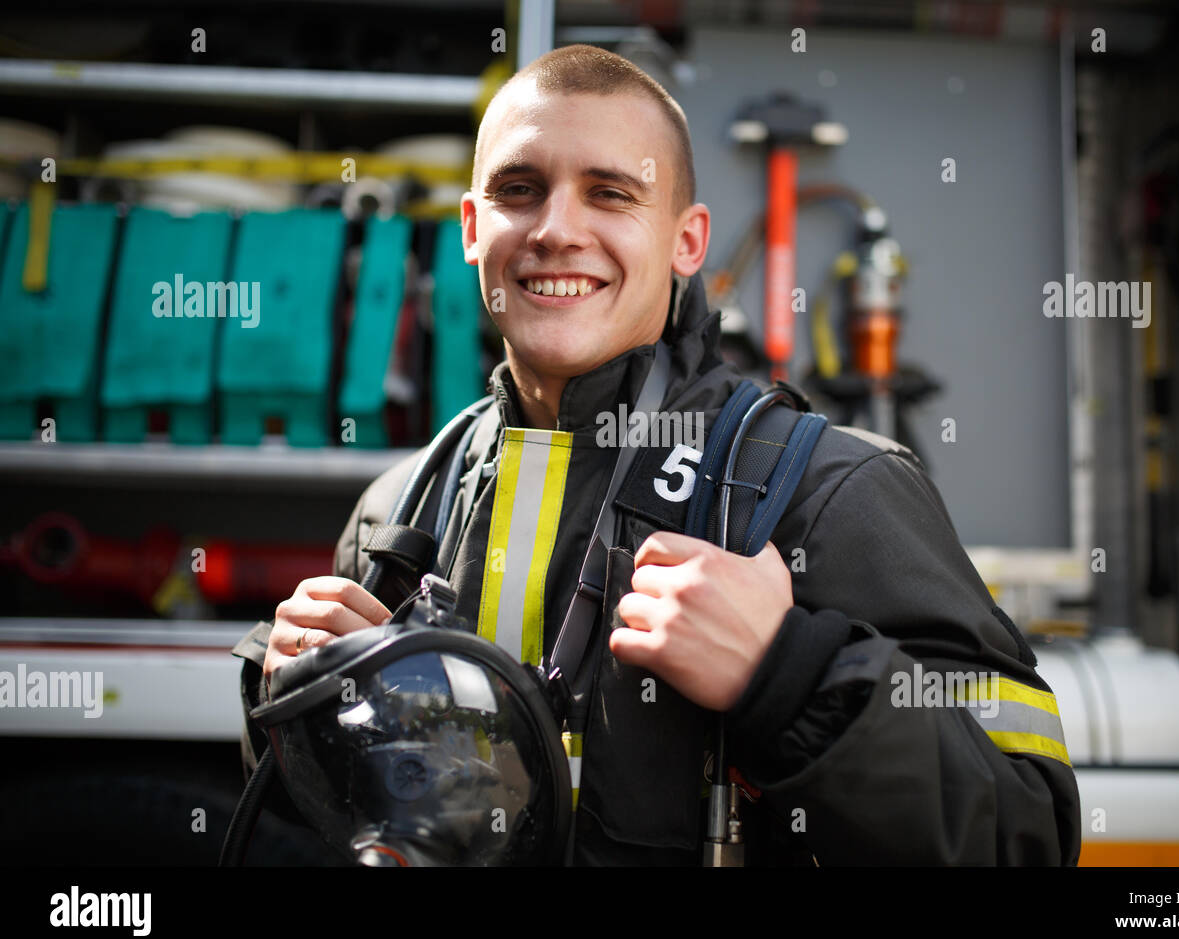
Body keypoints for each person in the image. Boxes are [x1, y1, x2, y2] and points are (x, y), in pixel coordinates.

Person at [243, 43, 1081, 865]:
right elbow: (342, 822)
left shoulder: (833, 492)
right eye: (519, 190)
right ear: (471, 227)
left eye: (610, 194)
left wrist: (790, 675)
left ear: (687, 241)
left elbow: (1025, 833)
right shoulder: (404, 504)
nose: (556, 230)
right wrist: (294, 705)